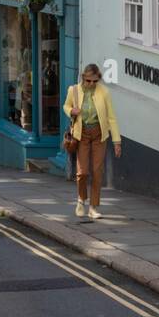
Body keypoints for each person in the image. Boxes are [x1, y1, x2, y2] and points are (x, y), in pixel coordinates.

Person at [63, 63, 121, 220]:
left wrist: (117, 141)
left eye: (95, 81)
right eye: (89, 81)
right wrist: (71, 111)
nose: (92, 84)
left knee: (97, 171)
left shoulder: (104, 92)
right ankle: (81, 200)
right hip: (81, 134)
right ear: (83, 78)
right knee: (82, 172)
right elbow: (66, 105)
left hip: (98, 135)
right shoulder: (73, 90)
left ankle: (93, 207)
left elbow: (111, 118)